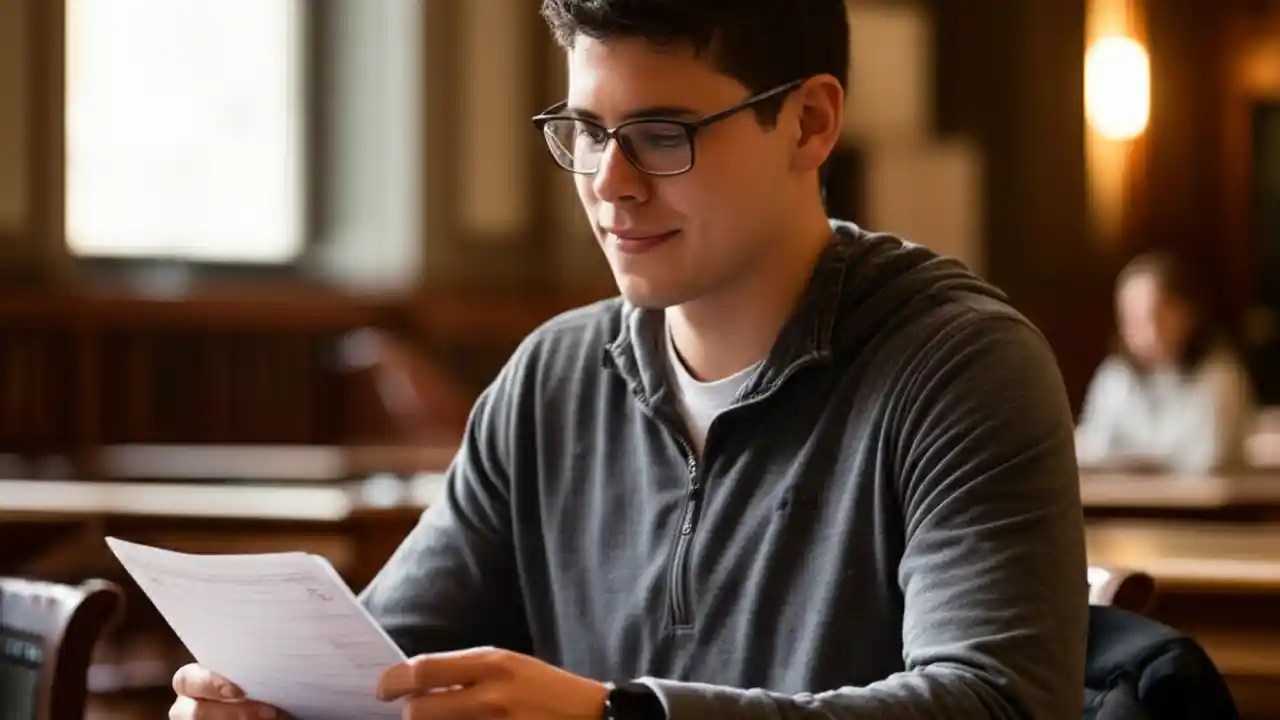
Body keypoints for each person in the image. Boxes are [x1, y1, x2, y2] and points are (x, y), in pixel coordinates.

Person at [169, 1, 1087, 718]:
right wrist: (272, 705)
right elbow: (378, 668)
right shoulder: (549, 382)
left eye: (662, 134)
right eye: (588, 132)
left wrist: (618, 715)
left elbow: (994, 703)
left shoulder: (964, 369)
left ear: (808, 123)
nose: (610, 183)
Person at [1076, 252, 1256, 473]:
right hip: (1125, 502)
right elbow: (1092, 450)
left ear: (1186, 312)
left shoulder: (1220, 376)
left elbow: (1207, 458)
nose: (1142, 330)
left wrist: (1130, 461)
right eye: (1130, 318)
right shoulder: (1115, 376)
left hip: (1202, 505)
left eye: (1154, 315)